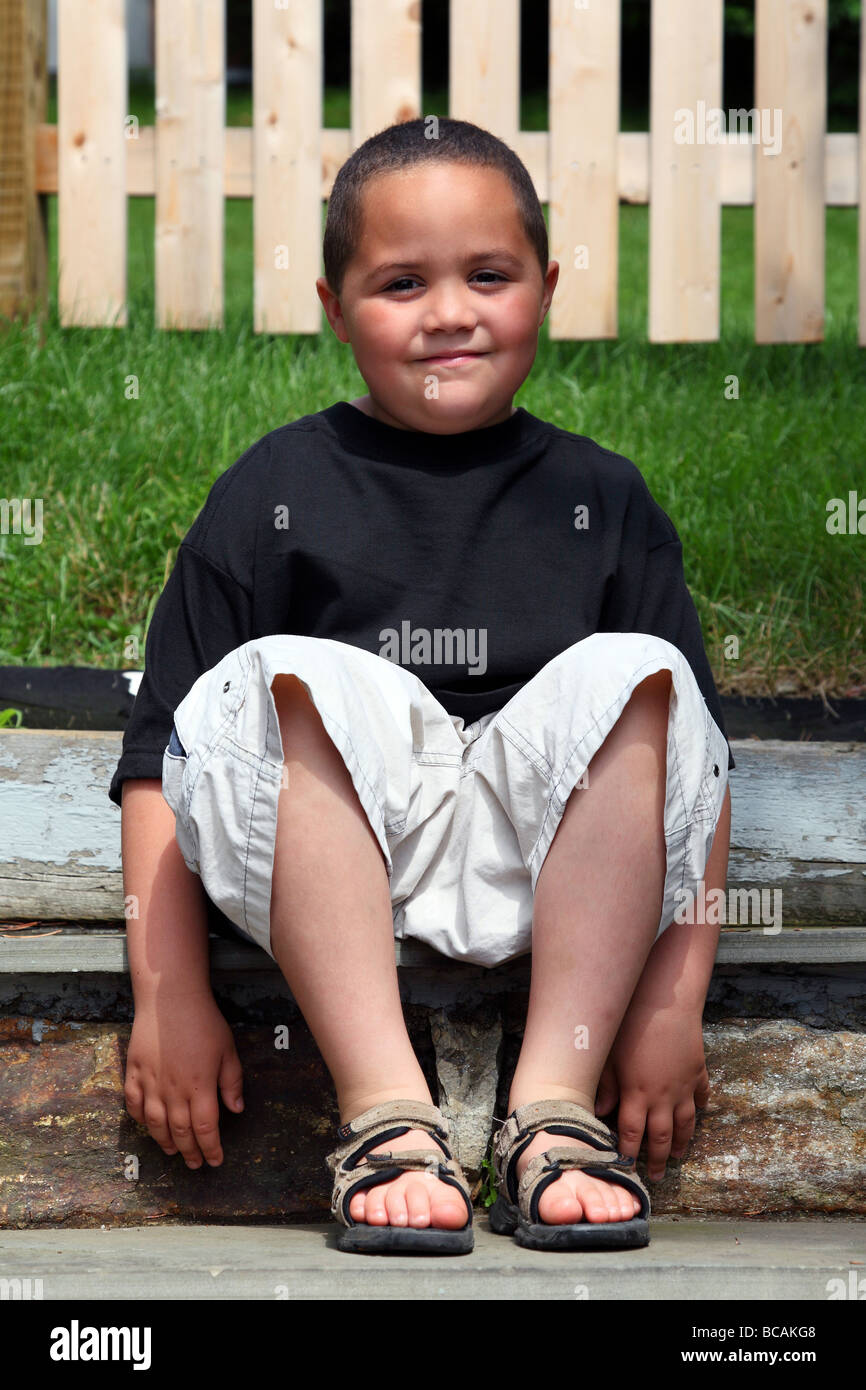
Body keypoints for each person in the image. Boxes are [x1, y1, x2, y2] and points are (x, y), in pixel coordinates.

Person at [111, 117, 733, 1256]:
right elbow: (159, 756)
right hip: (324, 867)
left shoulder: (602, 495)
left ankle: (551, 1107)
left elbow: (690, 756)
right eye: (401, 283)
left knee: (638, 672)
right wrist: (167, 994)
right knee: (279, 673)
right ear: (334, 306)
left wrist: (666, 1001)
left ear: (543, 288)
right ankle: (387, 1114)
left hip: (539, 863)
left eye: (485, 276)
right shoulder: (274, 487)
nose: (449, 312)